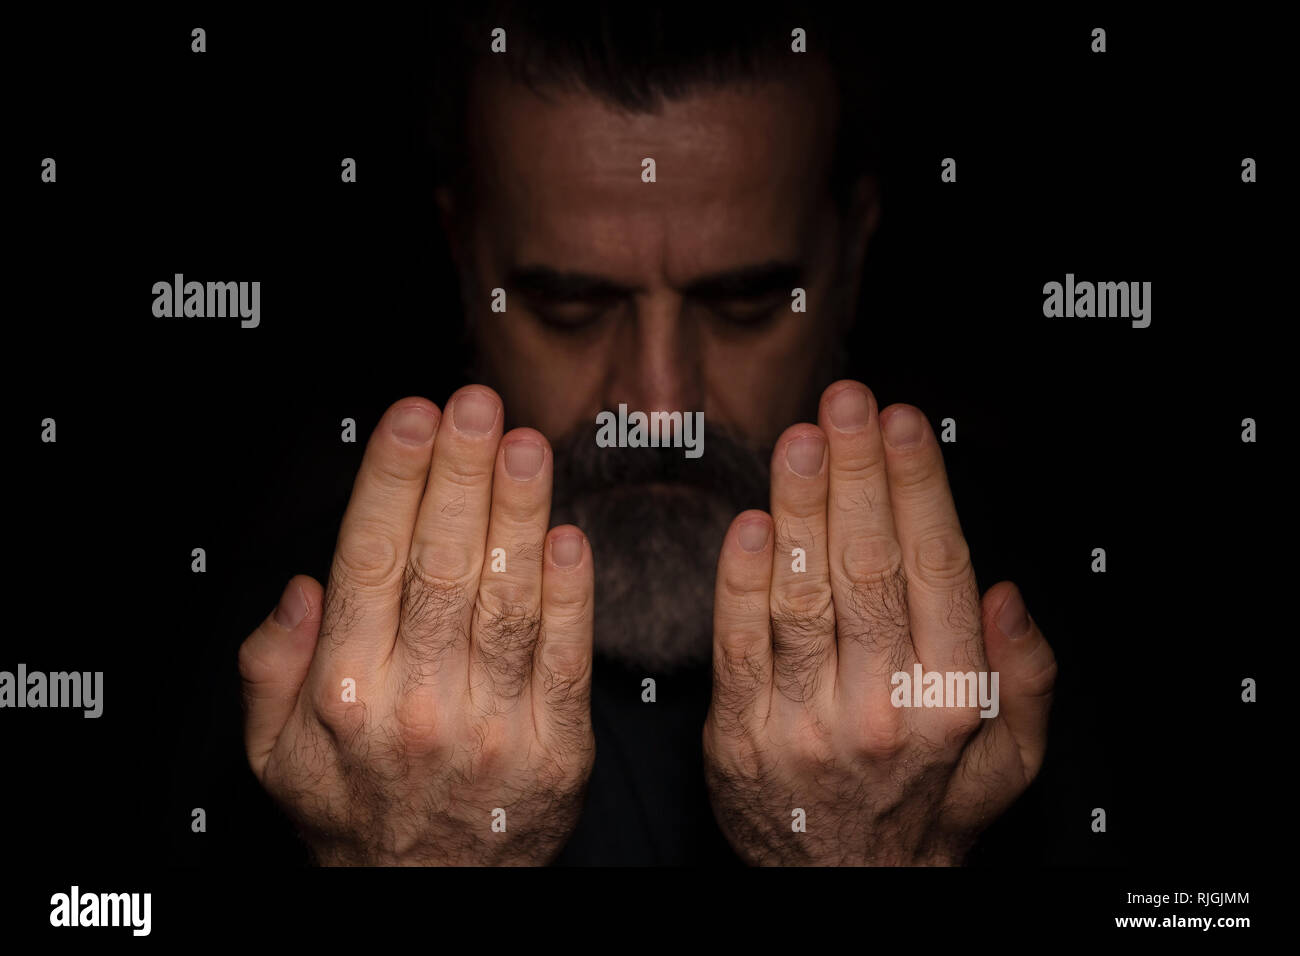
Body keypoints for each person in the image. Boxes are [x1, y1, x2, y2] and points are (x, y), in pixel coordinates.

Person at [235, 4, 1057, 865]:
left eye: (745, 304)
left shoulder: (1017, 677)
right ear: (464, 261)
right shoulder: (276, 675)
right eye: (570, 306)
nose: (659, 405)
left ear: (851, 257)